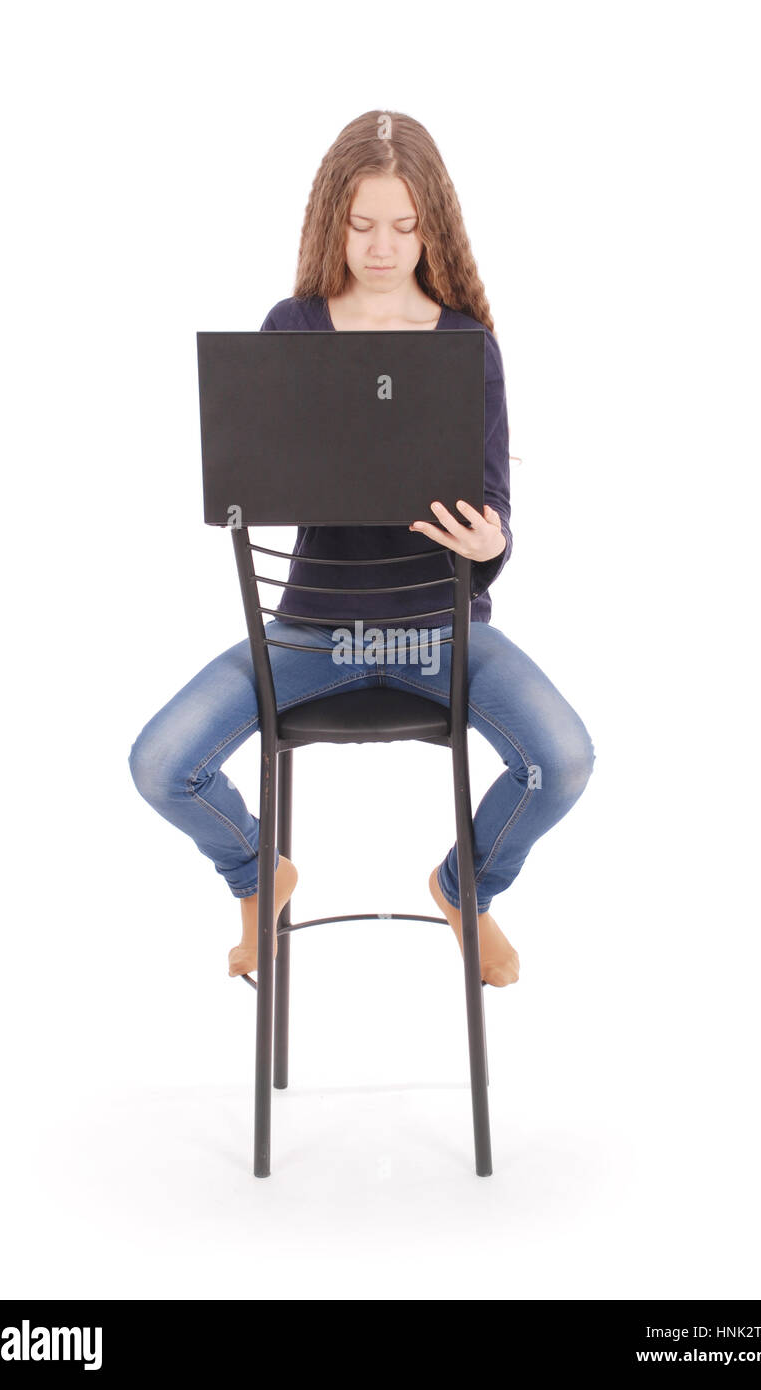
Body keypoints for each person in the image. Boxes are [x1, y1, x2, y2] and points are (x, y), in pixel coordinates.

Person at [128, 110, 595, 987]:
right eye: (363, 224)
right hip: (311, 634)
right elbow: (253, 478)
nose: (383, 248)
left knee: (562, 760)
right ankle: (259, 876)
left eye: (406, 227)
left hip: (442, 635)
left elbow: (492, 511)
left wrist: (492, 541)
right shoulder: (293, 326)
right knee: (160, 762)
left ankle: (466, 889)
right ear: (332, 220)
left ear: (434, 228)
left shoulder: (467, 345)